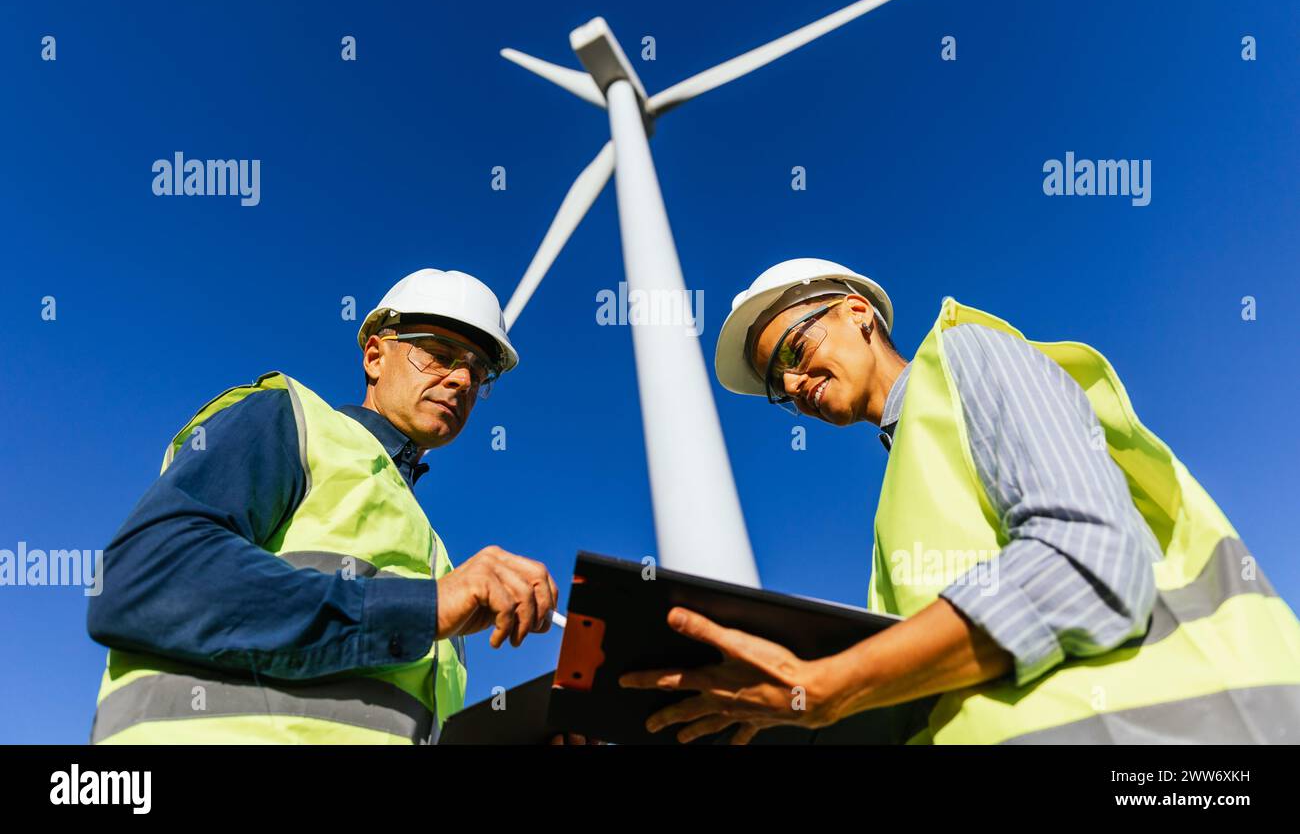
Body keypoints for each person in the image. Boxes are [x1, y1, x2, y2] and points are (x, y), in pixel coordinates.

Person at [621, 258, 1300, 744]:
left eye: (796, 347)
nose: (795, 382)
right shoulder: (900, 497)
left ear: (859, 314)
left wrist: (831, 683)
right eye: (779, 382)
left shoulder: (967, 355)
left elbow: (1089, 559)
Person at [87, 268, 563, 744]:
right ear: (375, 356)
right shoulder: (289, 420)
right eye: (439, 355)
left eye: (478, 372)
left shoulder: (434, 557)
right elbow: (147, 579)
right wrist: (425, 608)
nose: (462, 379)